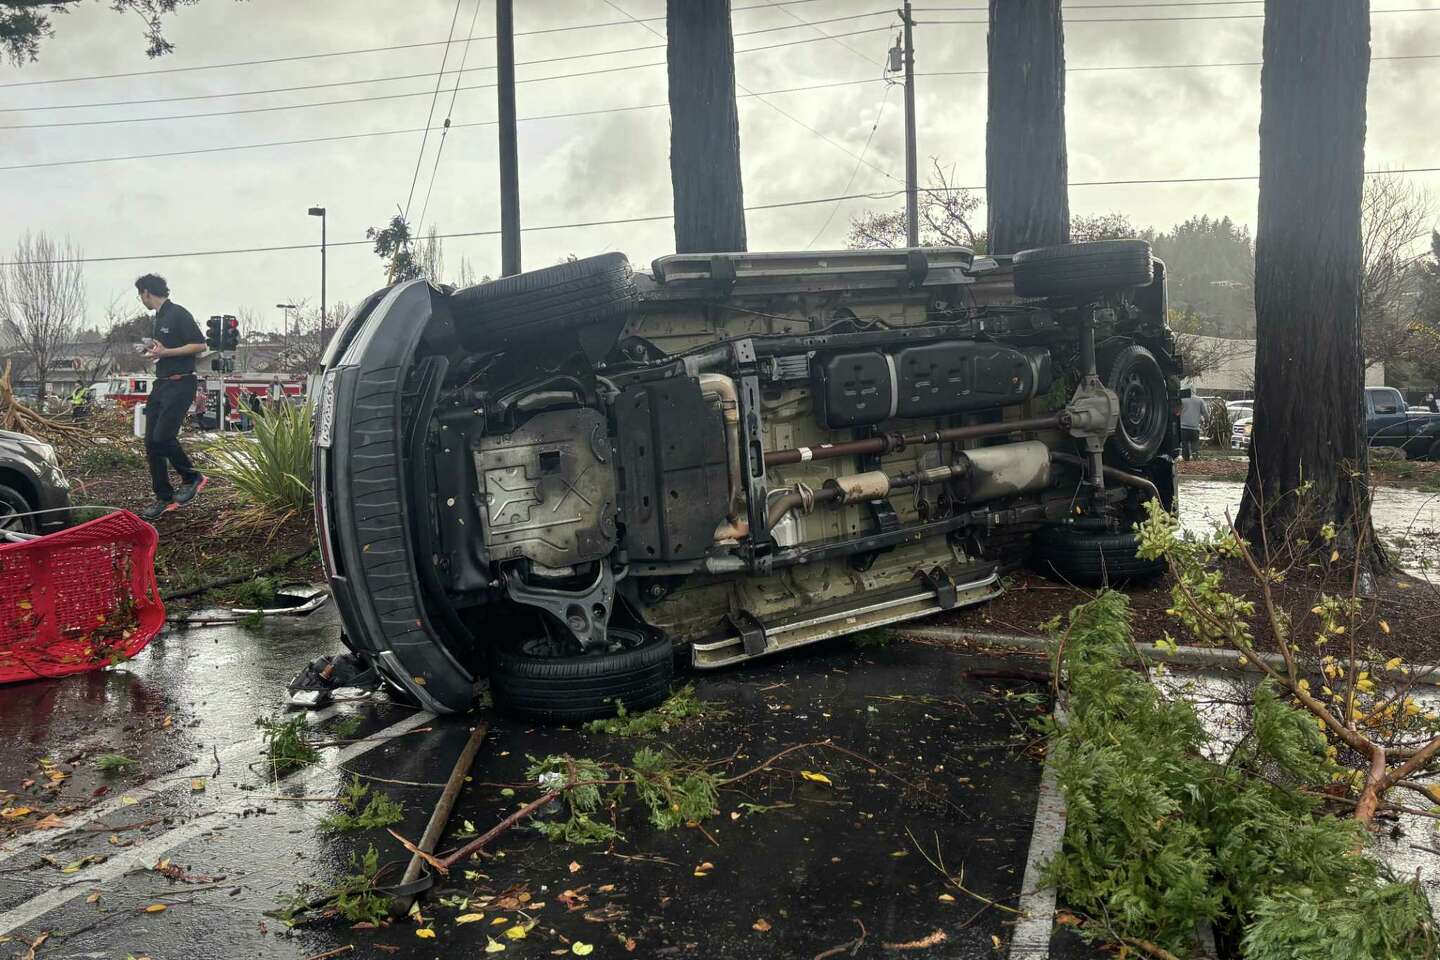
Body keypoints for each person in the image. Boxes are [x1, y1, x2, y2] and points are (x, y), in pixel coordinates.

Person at [135, 274, 208, 521]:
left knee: (163, 436)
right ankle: (164, 498)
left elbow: (199, 345)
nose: (141, 300)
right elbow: (166, 352)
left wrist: (167, 351)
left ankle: (192, 477)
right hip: (162, 384)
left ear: (146, 292)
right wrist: (156, 353)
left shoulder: (178, 313)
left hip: (181, 382)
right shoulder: (159, 319)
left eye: (140, 295)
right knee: (151, 444)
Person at [1179, 389, 1206, 461]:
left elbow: (1177, 412)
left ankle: (1186, 459)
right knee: (1194, 444)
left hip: (1183, 427)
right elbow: (1205, 413)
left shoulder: (1182, 399)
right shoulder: (1200, 400)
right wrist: (1206, 420)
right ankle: (1195, 458)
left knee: (1184, 444)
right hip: (1194, 428)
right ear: (1194, 391)